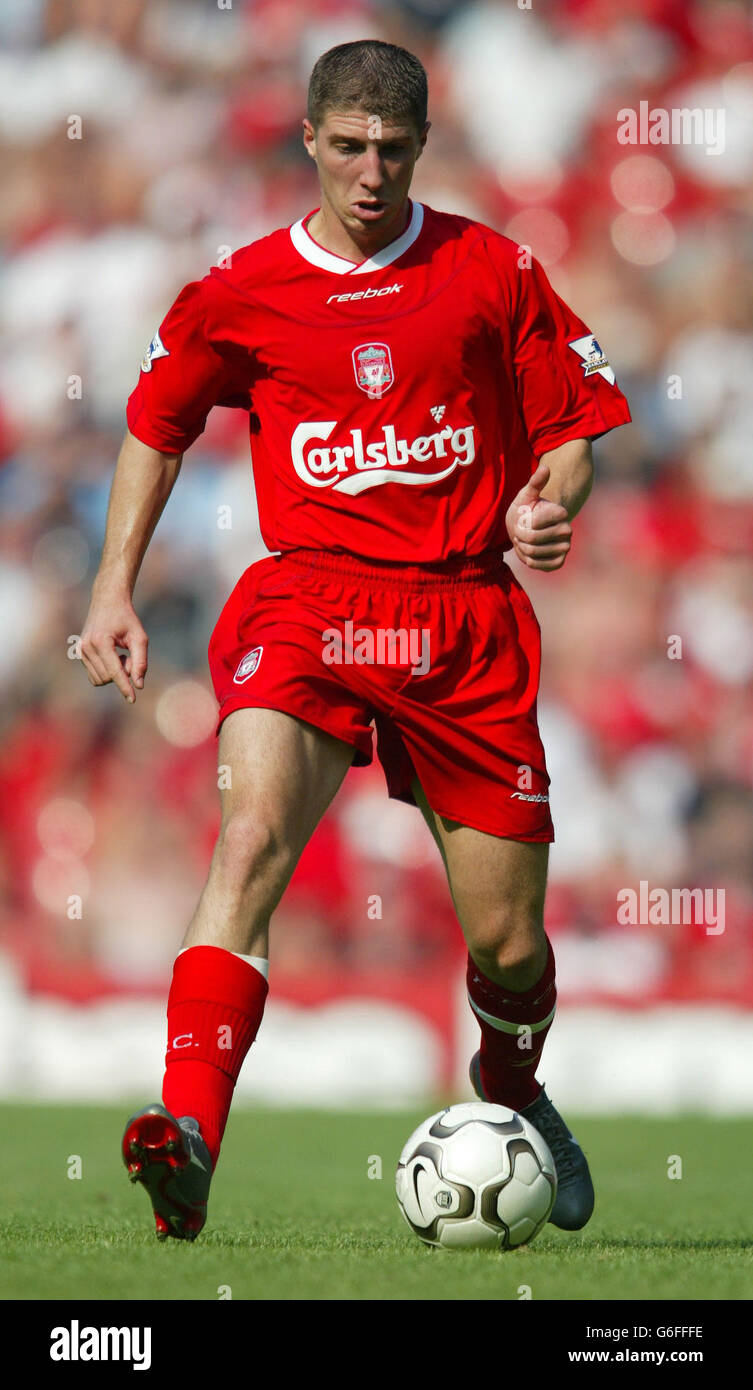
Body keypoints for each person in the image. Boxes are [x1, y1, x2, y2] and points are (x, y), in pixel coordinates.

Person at [80, 38, 631, 1241]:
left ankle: (513, 1080)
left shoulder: (491, 268)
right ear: (312, 142)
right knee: (252, 839)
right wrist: (112, 589)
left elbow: (573, 433)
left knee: (511, 943)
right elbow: (154, 425)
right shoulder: (241, 288)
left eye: (392, 149)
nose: (370, 171)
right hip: (310, 602)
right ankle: (186, 1139)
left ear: (422, 146)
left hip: (462, 617)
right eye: (347, 147)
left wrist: (549, 505)